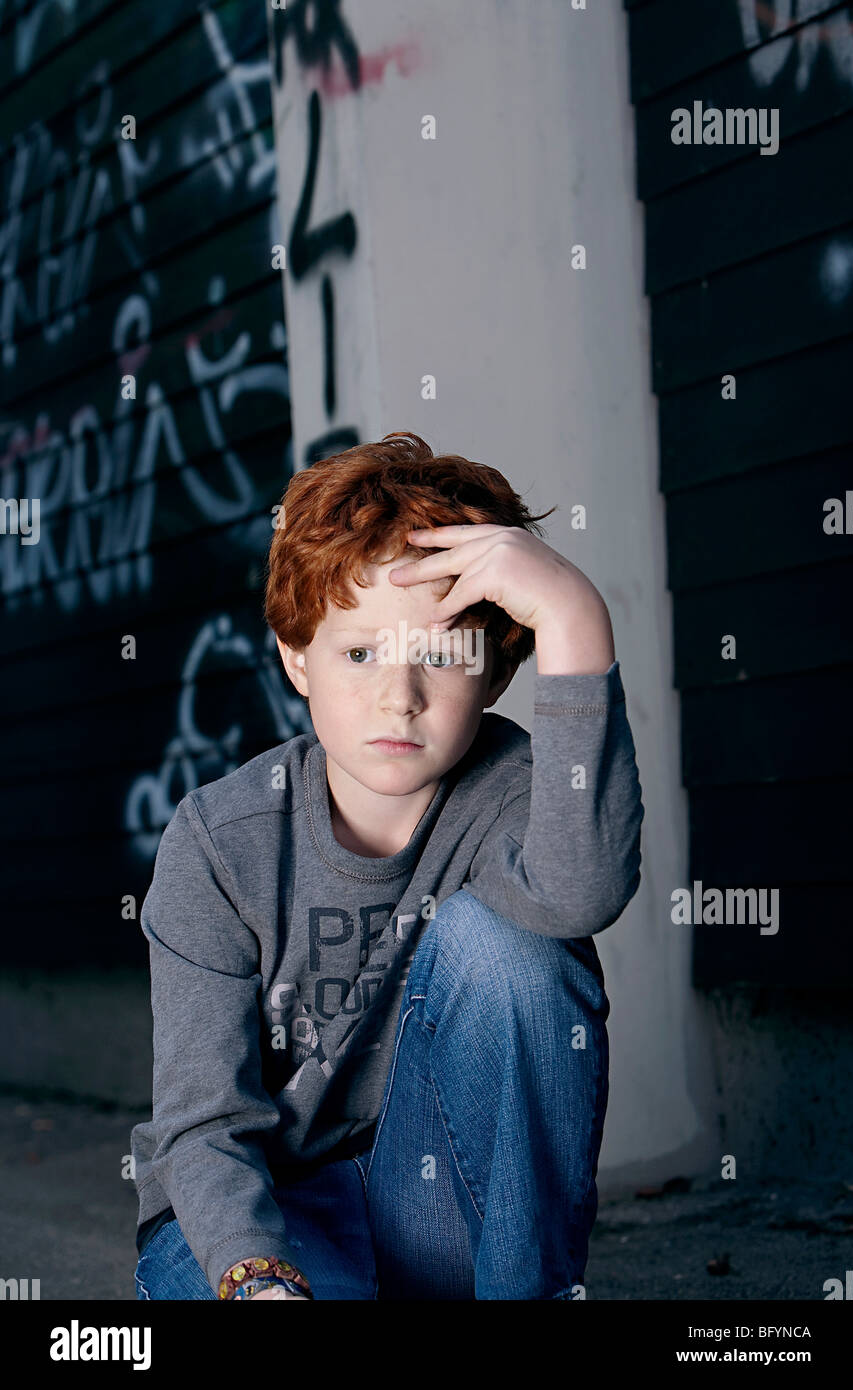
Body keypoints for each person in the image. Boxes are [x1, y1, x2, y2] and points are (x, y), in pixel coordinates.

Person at [130, 430, 644, 1300]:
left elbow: (578, 894)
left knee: (515, 943)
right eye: (358, 652)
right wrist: (259, 1279)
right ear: (297, 659)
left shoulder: (515, 791)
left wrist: (571, 615)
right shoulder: (223, 839)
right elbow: (204, 1121)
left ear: (492, 676)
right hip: (265, 1219)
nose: (396, 696)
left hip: (432, 1205)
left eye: (440, 657)